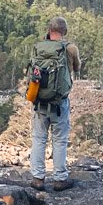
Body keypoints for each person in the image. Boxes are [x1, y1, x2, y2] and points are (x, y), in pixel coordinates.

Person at [27, 16, 80, 190]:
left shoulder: (37, 47)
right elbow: (77, 67)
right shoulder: (70, 48)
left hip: (39, 101)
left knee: (39, 138)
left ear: (49, 30)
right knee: (59, 140)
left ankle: (37, 178)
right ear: (64, 32)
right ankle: (59, 179)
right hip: (59, 103)